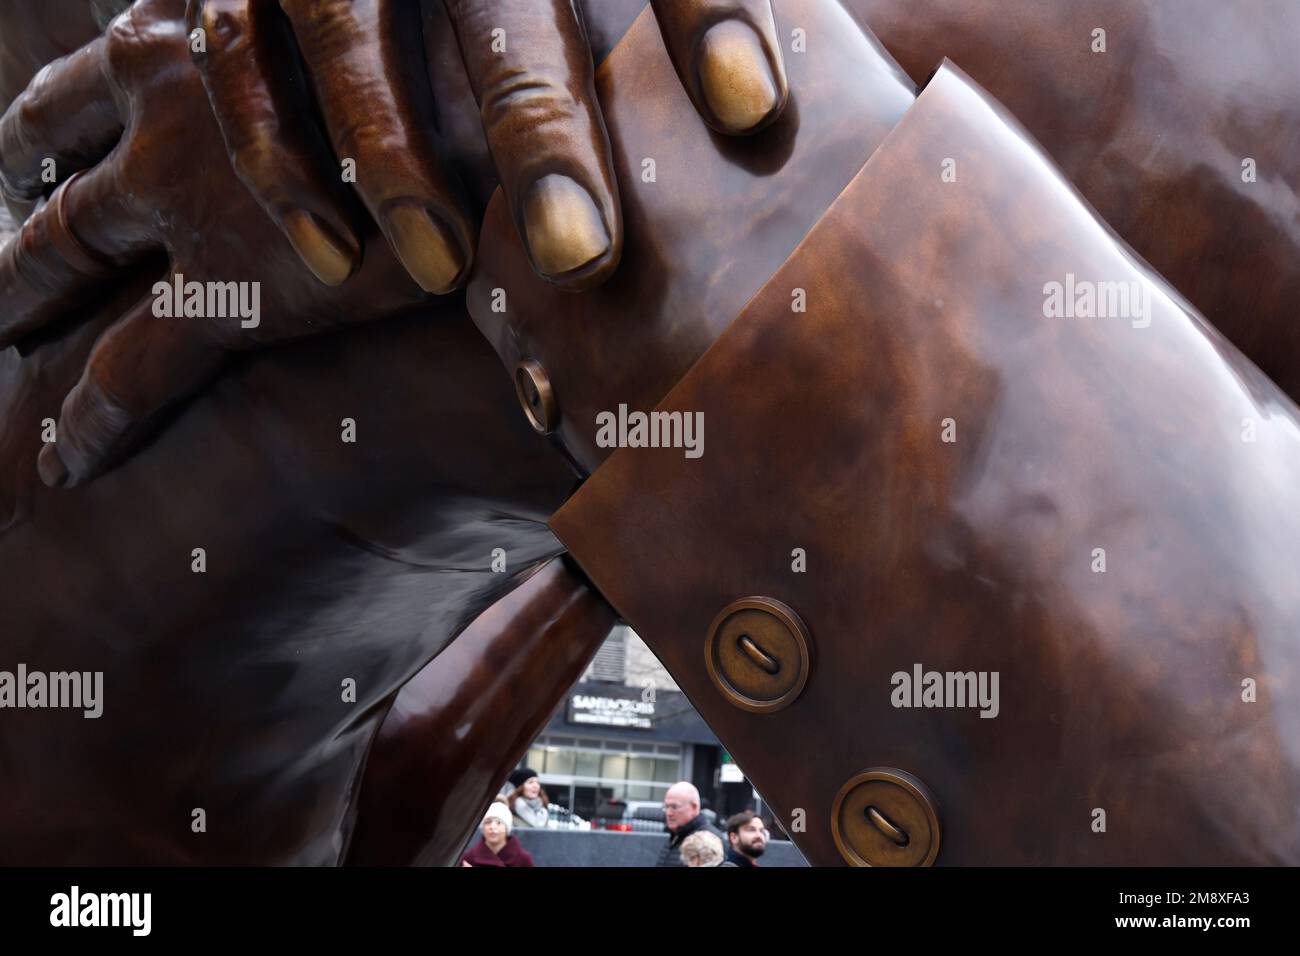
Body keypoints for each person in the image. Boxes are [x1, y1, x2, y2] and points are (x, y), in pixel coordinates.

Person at [655, 782, 722, 867]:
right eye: (666, 807)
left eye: (674, 807)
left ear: (694, 807)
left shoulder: (711, 841)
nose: (668, 813)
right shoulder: (675, 835)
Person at [459, 801, 536, 868]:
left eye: (498, 822)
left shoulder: (523, 859)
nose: (492, 827)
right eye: (488, 822)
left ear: (506, 828)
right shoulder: (468, 858)